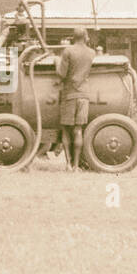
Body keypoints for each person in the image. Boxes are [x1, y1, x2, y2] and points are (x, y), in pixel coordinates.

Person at [56, 27, 96, 170]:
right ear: (86, 36)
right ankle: (76, 165)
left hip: (69, 94)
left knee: (66, 129)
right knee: (78, 129)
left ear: (73, 37)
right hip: (84, 94)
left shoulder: (68, 51)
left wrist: (56, 63)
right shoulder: (92, 52)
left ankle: (68, 164)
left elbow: (62, 74)